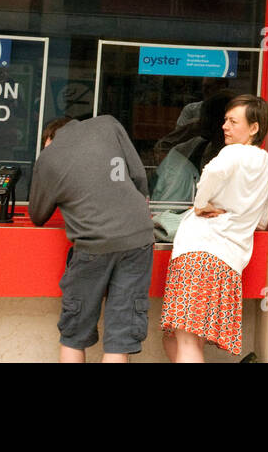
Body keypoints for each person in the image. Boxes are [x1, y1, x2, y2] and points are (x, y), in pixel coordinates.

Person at [29, 114, 155, 363]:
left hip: (93, 243)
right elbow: (138, 175)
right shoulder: (108, 124)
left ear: (51, 138)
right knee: (120, 337)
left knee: (74, 331)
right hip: (138, 238)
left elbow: (37, 214)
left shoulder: (49, 156)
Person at [161, 94, 268, 362]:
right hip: (227, 261)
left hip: (198, 255)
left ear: (254, 128)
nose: (225, 126)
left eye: (233, 121)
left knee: (186, 342)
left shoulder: (233, 152)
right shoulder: (266, 163)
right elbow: (262, 219)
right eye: (225, 120)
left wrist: (200, 204)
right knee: (179, 338)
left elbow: (211, 173)